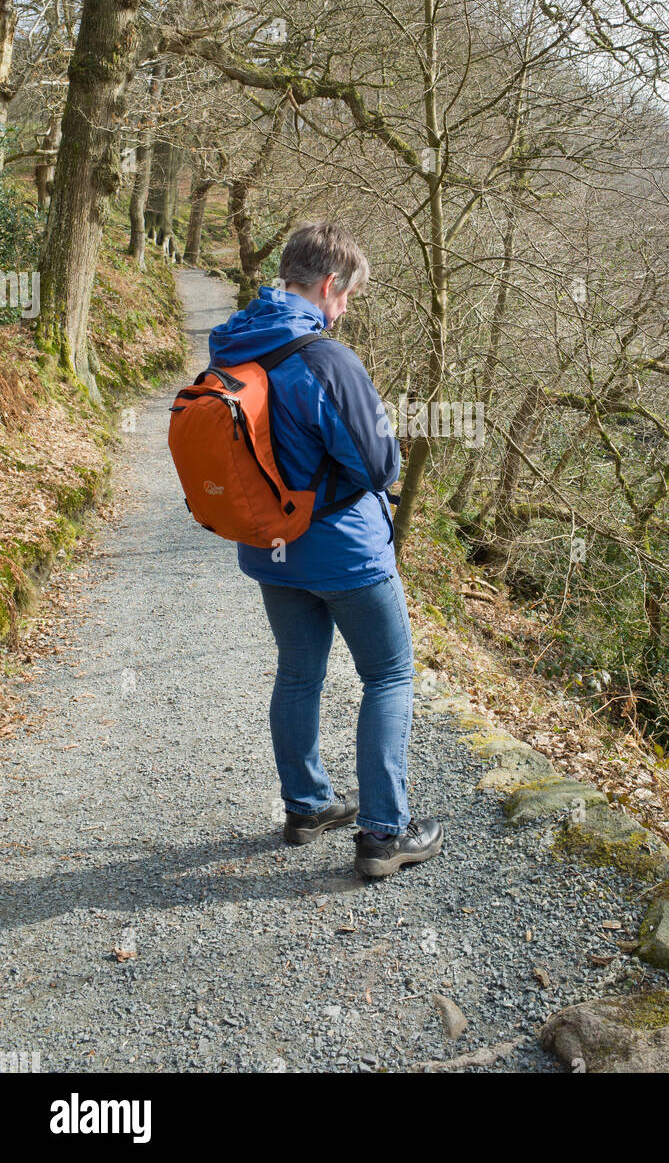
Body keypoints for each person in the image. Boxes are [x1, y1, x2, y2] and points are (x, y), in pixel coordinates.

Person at [207, 220, 443, 877]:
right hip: (344, 554)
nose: (343, 313)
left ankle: (307, 806)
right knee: (388, 674)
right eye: (346, 298)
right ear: (330, 283)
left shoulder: (231, 348)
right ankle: (382, 836)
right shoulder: (325, 359)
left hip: (269, 549)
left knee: (298, 672)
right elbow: (377, 467)